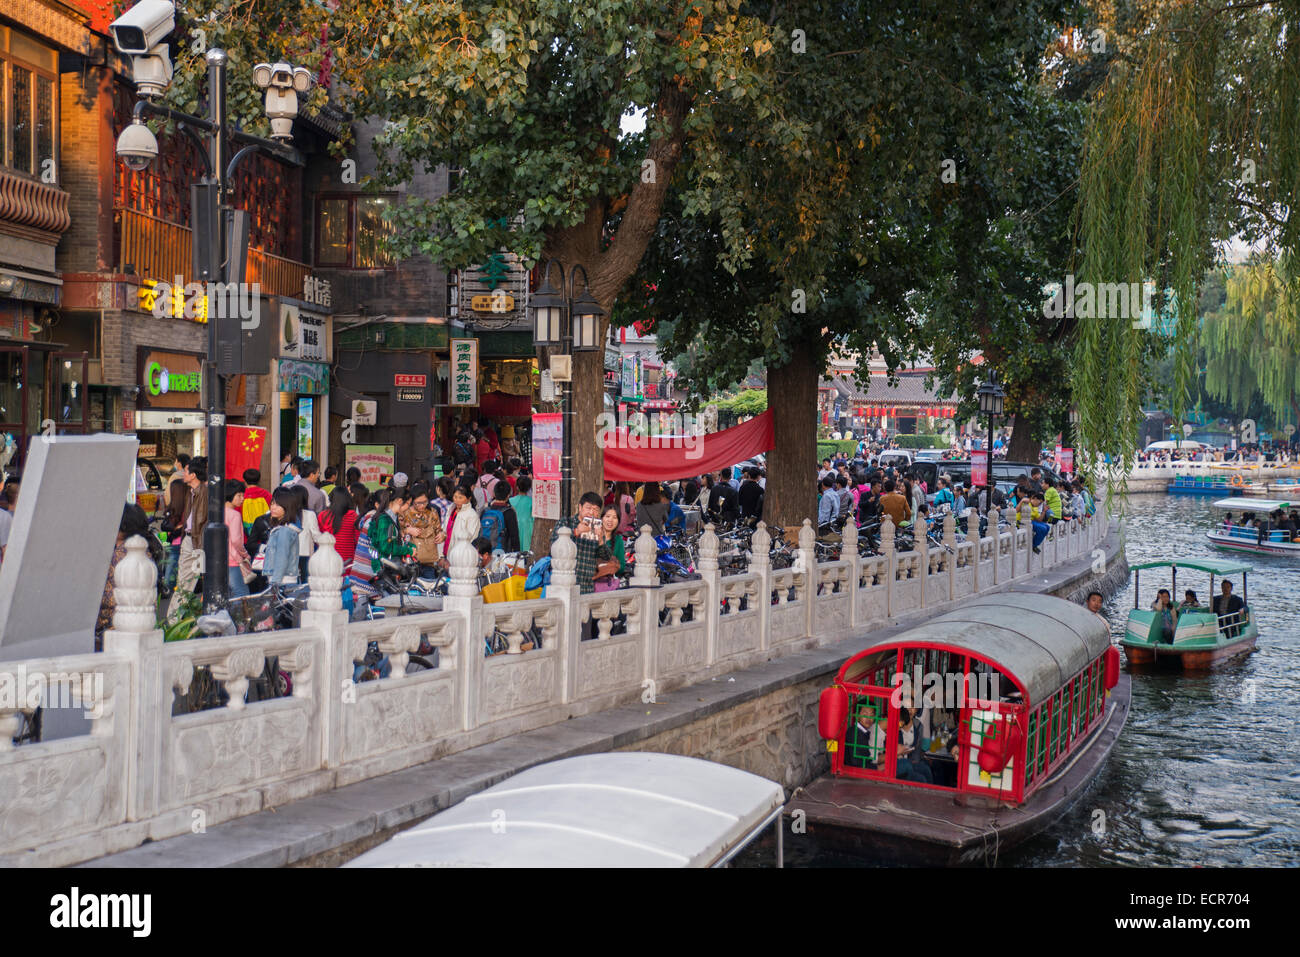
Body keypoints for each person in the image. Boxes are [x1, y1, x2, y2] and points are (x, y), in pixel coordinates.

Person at [167, 459, 208, 618]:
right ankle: (175, 618)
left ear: (193, 475)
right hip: (190, 540)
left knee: (193, 581)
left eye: (186, 471)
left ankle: (175, 619)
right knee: (186, 581)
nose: (183, 474)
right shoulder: (190, 492)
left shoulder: (204, 492)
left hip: (199, 542)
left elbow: (203, 520)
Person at [553, 491, 608, 594]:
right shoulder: (566, 522)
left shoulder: (598, 528)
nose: (591, 512)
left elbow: (606, 557)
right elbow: (554, 544)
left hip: (587, 585)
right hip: (566, 582)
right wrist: (576, 531)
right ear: (580, 507)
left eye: (595, 509)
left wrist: (601, 540)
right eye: (588, 508)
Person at [369, 487, 416, 573]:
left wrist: (409, 545)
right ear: (399, 501)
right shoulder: (385, 520)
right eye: (408, 504)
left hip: (388, 567)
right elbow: (385, 547)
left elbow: (393, 541)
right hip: (382, 569)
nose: (408, 508)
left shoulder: (393, 518)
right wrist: (407, 550)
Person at [264, 486, 303, 586]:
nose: (273, 507)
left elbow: (282, 558)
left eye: (277, 505)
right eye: (272, 504)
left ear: (287, 507)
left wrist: (274, 583)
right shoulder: (286, 528)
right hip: (285, 580)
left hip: (282, 582)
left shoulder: (284, 531)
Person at [318, 486, 360, 569]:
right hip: (347, 558)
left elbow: (319, 537)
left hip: (327, 557)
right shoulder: (353, 516)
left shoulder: (323, 515)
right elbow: (357, 539)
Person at [224, 478, 251, 598]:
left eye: (242, 495)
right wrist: (244, 554)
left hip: (219, 560)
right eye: (239, 495)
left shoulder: (217, 512)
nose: (242, 498)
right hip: (233, 561)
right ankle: (239, 617)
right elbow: (235, 540)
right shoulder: (235, 514)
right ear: (230, 494)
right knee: (242, 594)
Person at [481, 480, 521, 553]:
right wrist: (516, 553)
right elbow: (514, 536)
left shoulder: (486, 510)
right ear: (508, 495)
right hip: (502, 552)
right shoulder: (509, 512)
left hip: (485, 551)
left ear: (495, 494)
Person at [593, 505, 628, 591]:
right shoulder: (592, 535)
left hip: (606, 585)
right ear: (601, 518)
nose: (610, 520)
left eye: (614, 517)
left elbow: (622, 566)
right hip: (589, 582)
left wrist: (610, 567)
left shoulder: (618, 539)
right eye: (607, 516)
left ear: (618, 521)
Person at [443, 484, 475, 559]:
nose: (457, 500)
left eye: (460, 497)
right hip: (446, 554)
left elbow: (471, 538)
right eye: (455, 497)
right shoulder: (450, 510)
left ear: (468, 499)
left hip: (460, 557)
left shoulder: (472, 515)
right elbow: (445, 530)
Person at [241, 468, 271, 532]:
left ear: (244, 480)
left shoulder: (241, 496)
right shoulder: (266, 494)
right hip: (264, 532)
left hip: (246, 534)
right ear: (259, 480)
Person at [510, 476, 534, 553]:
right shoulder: (532, 502)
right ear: (529, 487)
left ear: (517, 487)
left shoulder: (510, 501)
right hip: (528, 529)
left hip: (513, 529)